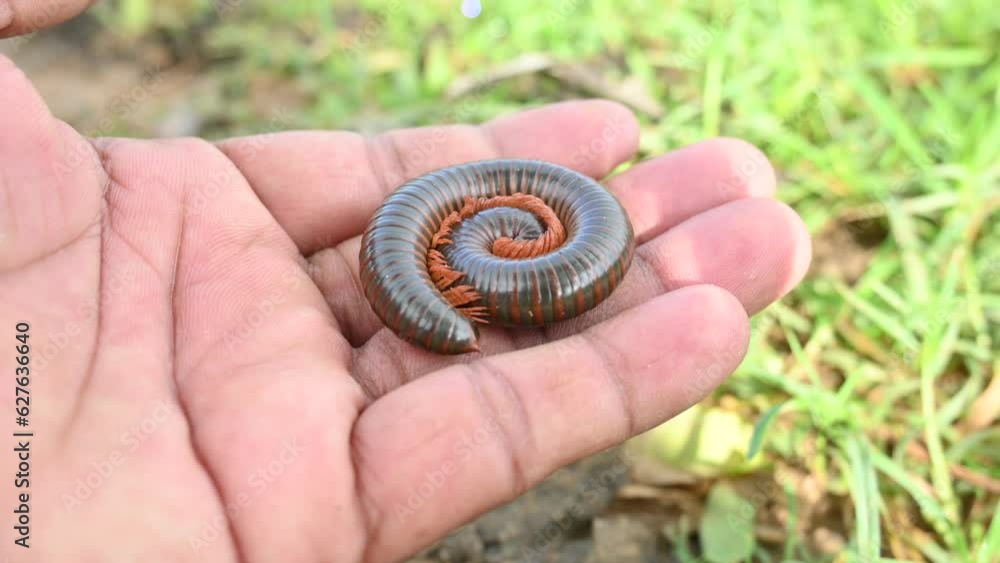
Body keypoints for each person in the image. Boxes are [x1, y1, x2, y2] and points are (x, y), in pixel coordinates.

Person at [0, 3, 811, 561]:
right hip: (488, 229)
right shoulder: (440, 263)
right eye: (455, 315)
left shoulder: (481, 241)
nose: (463, 325)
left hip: (530, 226)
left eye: (452, 317)